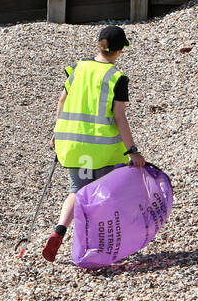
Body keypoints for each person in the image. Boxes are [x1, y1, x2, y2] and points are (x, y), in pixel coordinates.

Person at [43, 26, 146, 261]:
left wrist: (57, 132)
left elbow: (62, 101)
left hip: (76, 146)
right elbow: (120, 117)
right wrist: (133, 151)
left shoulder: (77, 69)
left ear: (98, 43)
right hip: (103, 150)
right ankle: (98, 244)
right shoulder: (116, 78)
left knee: (77, 190)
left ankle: (59, 230)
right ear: (120, 50)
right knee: (103, 195)